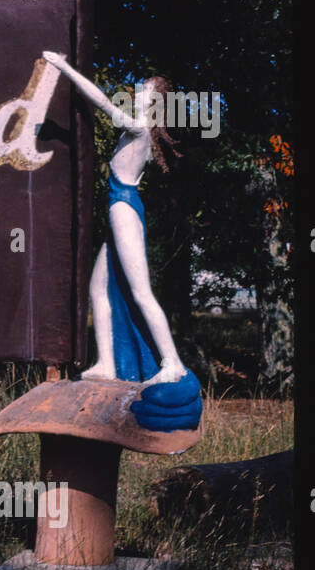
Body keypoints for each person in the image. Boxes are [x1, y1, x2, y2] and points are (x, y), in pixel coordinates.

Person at [42, 52, 201, 431]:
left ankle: (172, 363)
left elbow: (100, 103)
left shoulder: (137, 128)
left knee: (140, 291)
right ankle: (108, 363)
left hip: (124, 207)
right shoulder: (137, 129)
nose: (138, 95)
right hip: (120, 208)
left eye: (145, 93)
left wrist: (64, 68)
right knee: (99, 287)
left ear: (156, 104)